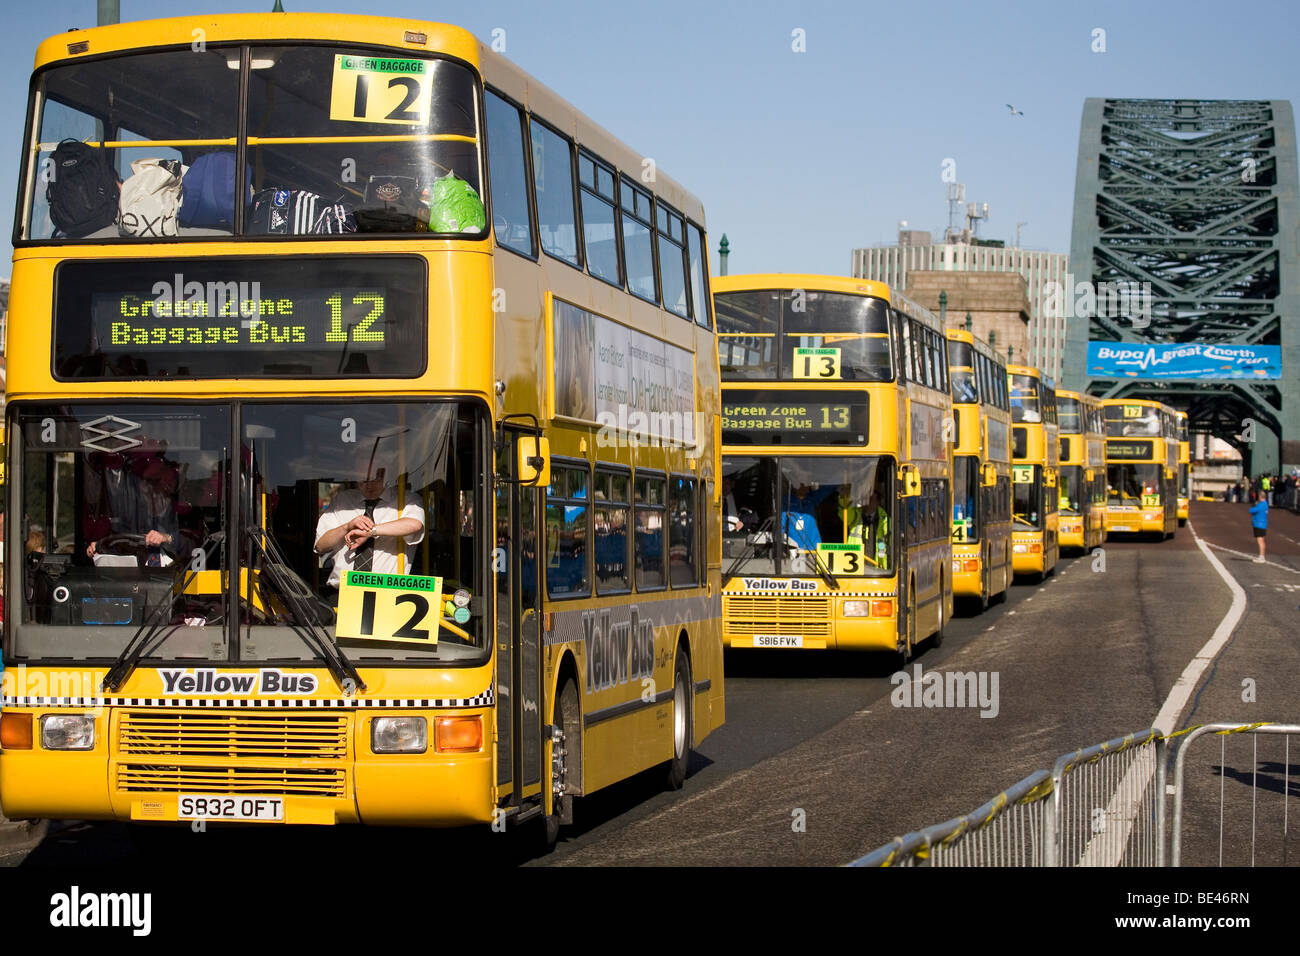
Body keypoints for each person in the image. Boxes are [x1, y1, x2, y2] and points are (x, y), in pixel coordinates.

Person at [314, 451, 426, 592]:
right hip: (342, 593)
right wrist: (347, 527)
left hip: (387, 592)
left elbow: (414, 525)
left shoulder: (406, 500)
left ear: (388, 474)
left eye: (376, 478)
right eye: (363, 479)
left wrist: (370, 532)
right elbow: (320, 546)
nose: (369, 485)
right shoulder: (342, 501)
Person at [1249, 490, 1268, 563]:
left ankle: (1261, 556)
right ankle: (1262, 556)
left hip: (1258, 524)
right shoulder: (1265, 504)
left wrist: (1254, 505)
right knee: (1262, 541)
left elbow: (1252, 510)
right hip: (1263, 524)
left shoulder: (1261, 504)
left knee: (1260, 541)